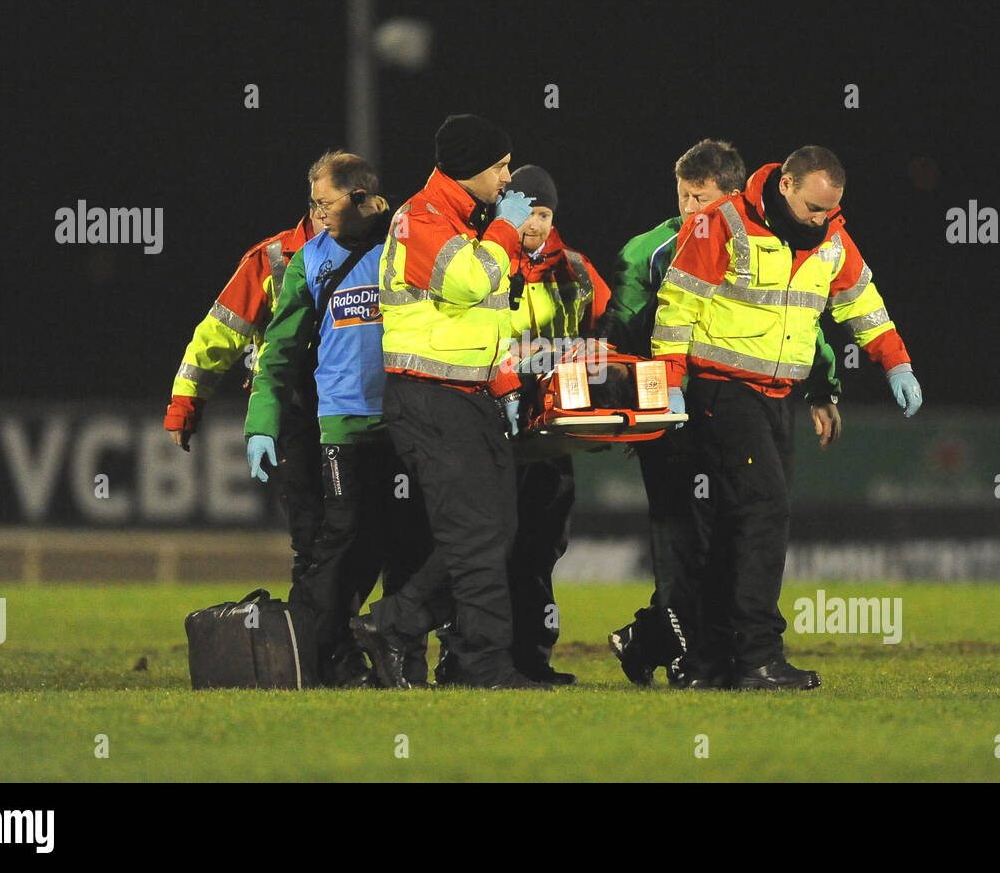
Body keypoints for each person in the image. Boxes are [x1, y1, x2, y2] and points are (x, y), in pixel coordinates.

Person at [653, 145, 923, 690]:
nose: (821, 219)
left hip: (777, 399)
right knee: (765, 512)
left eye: (830, 210)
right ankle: (756, 655)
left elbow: (861, 303)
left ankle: (712, 661)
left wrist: (896, 363)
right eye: (813, 208)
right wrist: (670, 385)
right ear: (785, 186)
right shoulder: (722, 224)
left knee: (737, 526)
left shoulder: (831, 238)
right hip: (722, 393)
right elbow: (677, 308)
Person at [598, 140, 841, 686]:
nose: (688, 208)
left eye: (699, 196)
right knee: (686, 541)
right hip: (669, 411)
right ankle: (692, 659)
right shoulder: (649, 249)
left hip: (718, 404)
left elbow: (801, 323)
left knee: (728, 532)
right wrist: (635, 395)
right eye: (682, 195)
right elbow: (619, 330)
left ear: (731, 197)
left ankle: (655, 641)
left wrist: (822, 384)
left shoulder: (748, 236)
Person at [349, 113, 547, 690]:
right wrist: (507, 232)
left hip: (469, 396)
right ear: (473, 169)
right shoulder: (422, 218)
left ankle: (399, 624)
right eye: (502, 167)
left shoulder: (468, 219)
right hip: (431, 398)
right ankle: (481, 665)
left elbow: (487, 320)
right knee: (476, 537)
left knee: (497, 530)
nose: (509, 179)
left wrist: (506, 384)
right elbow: (467, 282)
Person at [242, 150, 431, 687]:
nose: (315, 212)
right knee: (344, 538)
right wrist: (262, 423)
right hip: (343, 426)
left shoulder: (404, 241)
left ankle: (404, 665)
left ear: (361, 198)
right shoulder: (308, 259)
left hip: (405, 420)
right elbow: (278, 350)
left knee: (408, 544)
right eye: (312, 203)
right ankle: (318, 651)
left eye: (324, 202)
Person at [163, 197, 323, 589]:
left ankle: (382, 636)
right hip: (294, 407)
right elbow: (216, 337)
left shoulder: (380, 249)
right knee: (312, 535)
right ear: (317, 205)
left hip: (360, 405)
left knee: (372, 532)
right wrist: (184, 404)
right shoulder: (271, 259)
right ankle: (323, 642)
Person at [499, 164, 610, 686]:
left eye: (544, 213)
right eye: (526, 212)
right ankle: (473, 655)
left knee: (542, 546)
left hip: (551, 435)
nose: (535, 224)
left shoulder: (576, 271)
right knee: (489, 546)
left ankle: (531, 658)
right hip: (495, 431)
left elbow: (608, 336)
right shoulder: (487, 262)